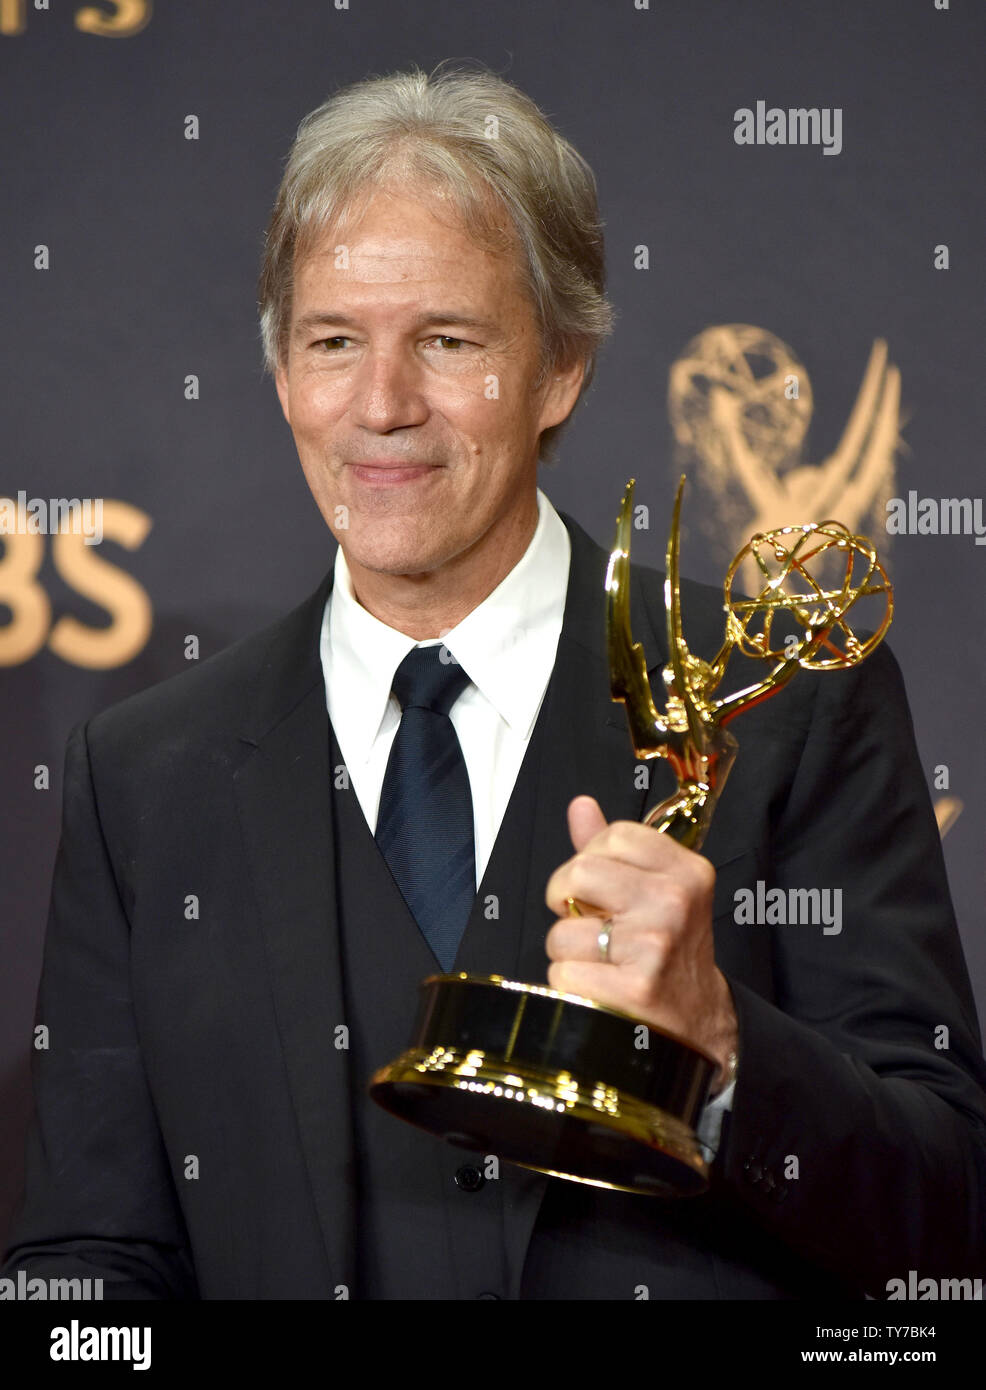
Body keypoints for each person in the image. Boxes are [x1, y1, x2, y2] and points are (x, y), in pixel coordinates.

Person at [4, 61, 985, 1301]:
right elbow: (87, 1268)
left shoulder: (783, 702)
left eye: (446, 341)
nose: (381, 406)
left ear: (559, 369)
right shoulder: (143, 776)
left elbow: (946, 1219)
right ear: (280, 375)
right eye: (331, 343)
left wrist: (724, 1052)